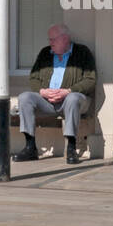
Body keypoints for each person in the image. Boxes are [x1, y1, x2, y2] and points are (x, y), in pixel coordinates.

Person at [12, 23, 96, 165]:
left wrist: (68, 91)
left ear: (65, 39)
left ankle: (71, 147)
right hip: (48, 100)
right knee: (25, 97)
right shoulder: (45, 53)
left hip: (73, 100)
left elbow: (90, 80)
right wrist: (42, 91)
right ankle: (30, 146)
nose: (50, 43)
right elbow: (34, 77)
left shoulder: (82, 52)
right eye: (49, 40)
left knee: (73, 98)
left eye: (53, 39)